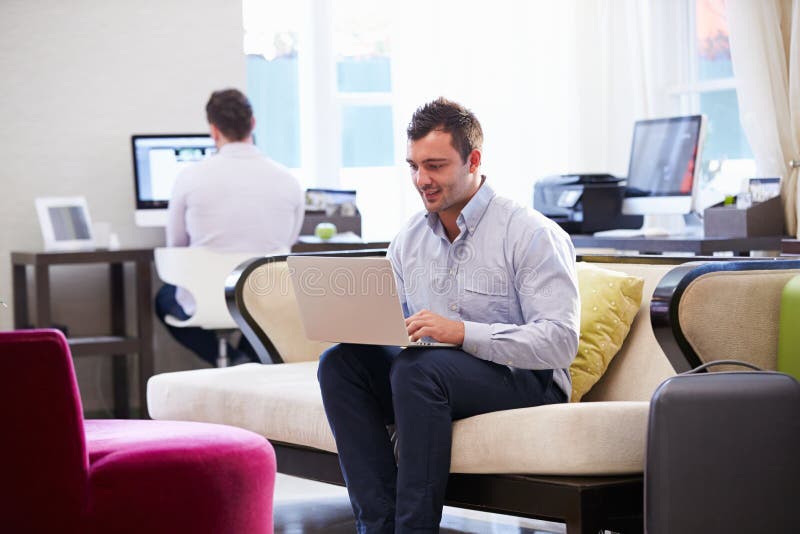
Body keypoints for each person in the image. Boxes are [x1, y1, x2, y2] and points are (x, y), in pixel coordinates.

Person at [316, 97, 581, 533]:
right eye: (413, 166)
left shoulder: (530, 233)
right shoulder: (409, 238)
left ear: (473, 160)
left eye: (435, 166)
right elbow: (399, 328)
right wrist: (362, 327)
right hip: (432, 377)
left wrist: (460, 332)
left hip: (525, 379)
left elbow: (558, 341)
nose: (422, 180)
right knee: (340, 364)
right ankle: (377, 527)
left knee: (419, 369)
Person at [155, 88, 304, 366]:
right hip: (267, 300)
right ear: (253, 124)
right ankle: (249, 359)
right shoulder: (288, 180)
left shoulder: (189, 177)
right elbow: (288, 241)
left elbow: (175, 246)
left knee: (163, 298)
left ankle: (233, 360)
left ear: (214, 130)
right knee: (260, 311)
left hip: (205, 299)